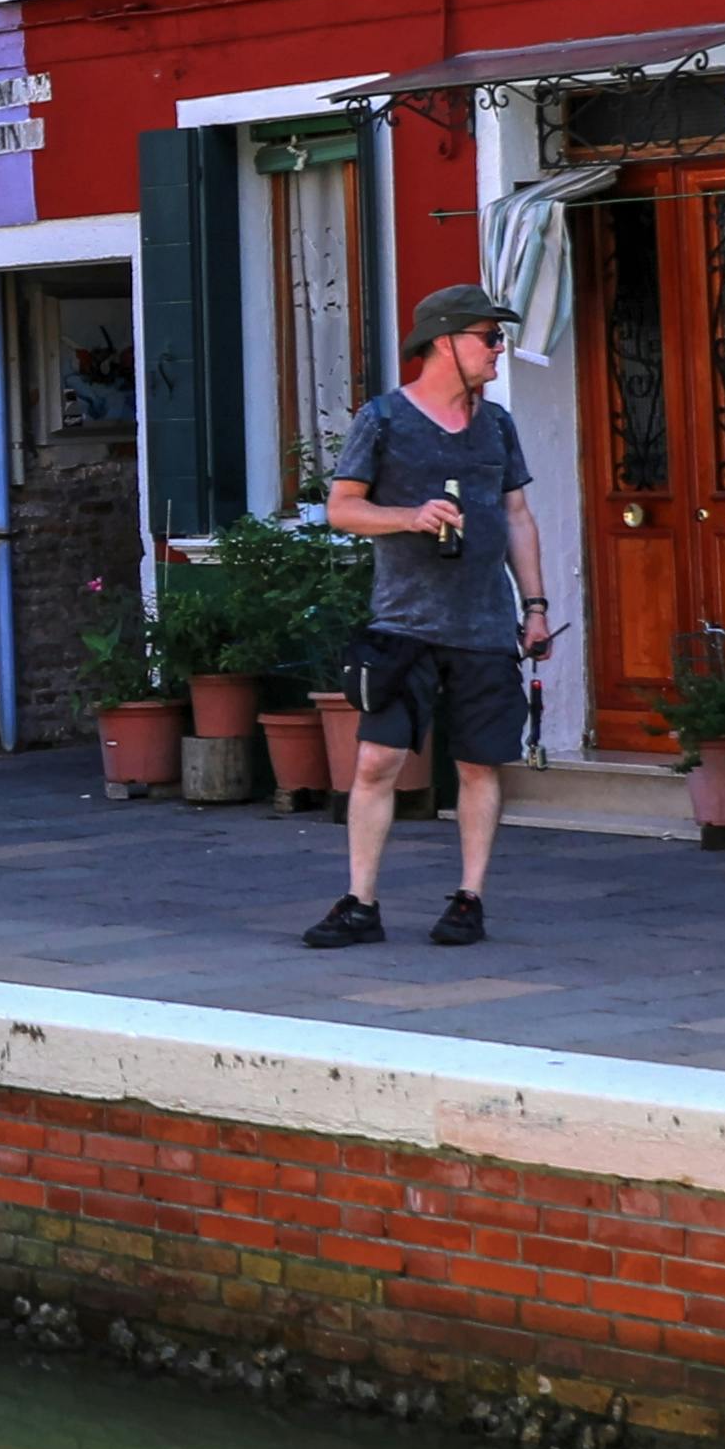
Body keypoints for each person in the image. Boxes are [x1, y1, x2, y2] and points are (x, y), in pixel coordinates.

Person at [309, 285, 551, 950]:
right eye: (489, 337)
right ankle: (360, 903)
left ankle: (469, 900)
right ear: (444, 341)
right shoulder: (385, 419)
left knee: (479, 765)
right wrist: (409, 516)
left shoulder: (496, 424)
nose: (498, 349)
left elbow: (517, 517)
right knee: (375, 763)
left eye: (499, 338)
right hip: (402, 626)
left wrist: (535, 607)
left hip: (484, 628)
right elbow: (342, 509)